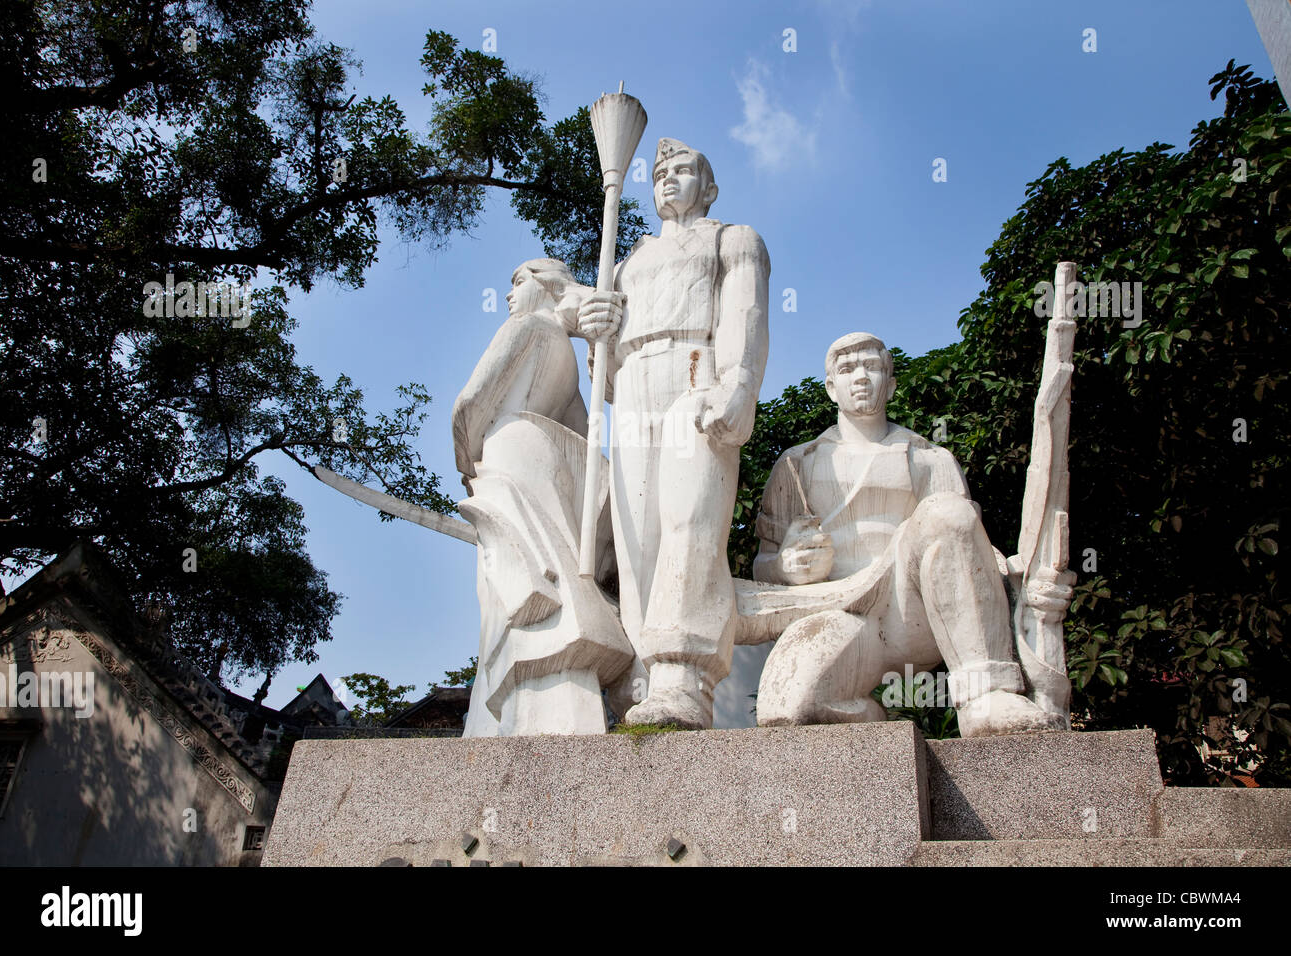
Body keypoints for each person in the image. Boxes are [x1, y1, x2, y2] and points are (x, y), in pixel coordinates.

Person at [752, 332, 1068, 736]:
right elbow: (763, 569)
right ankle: (874, 723)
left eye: (872, 367)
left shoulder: (930, 459)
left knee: (946, 512)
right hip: (836, 610)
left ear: (892, 382)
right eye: (848, 370)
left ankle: (986, 694)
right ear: (832, 388)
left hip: (909, 610)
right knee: (791, 709)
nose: (861, 378)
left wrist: (1025, 584)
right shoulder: (796, 465)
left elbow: (971, 554)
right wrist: (786, 567)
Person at [577, 139, 770, 728]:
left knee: (692, 518)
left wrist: (738, 386)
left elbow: (745, 315)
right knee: (637, 530)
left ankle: (684, 671)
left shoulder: (732, 239)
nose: (667, 180)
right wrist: (595, 333)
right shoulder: (628, 260)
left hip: (696, 369)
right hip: (635, 379)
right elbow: (603, 374)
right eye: (659, 173)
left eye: (683, 171)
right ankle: (638, 666)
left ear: (707, 188)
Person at [453, 259, 631, 736]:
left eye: (518, 281)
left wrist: (468, 460)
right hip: (549, 466)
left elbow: (471, 401)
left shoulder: (527, 325)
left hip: (509, 455)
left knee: (515, 581)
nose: (510, 294)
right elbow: (582, 441)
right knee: (548, 568)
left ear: (548, 286)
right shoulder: (569, 364)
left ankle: (524, 700)